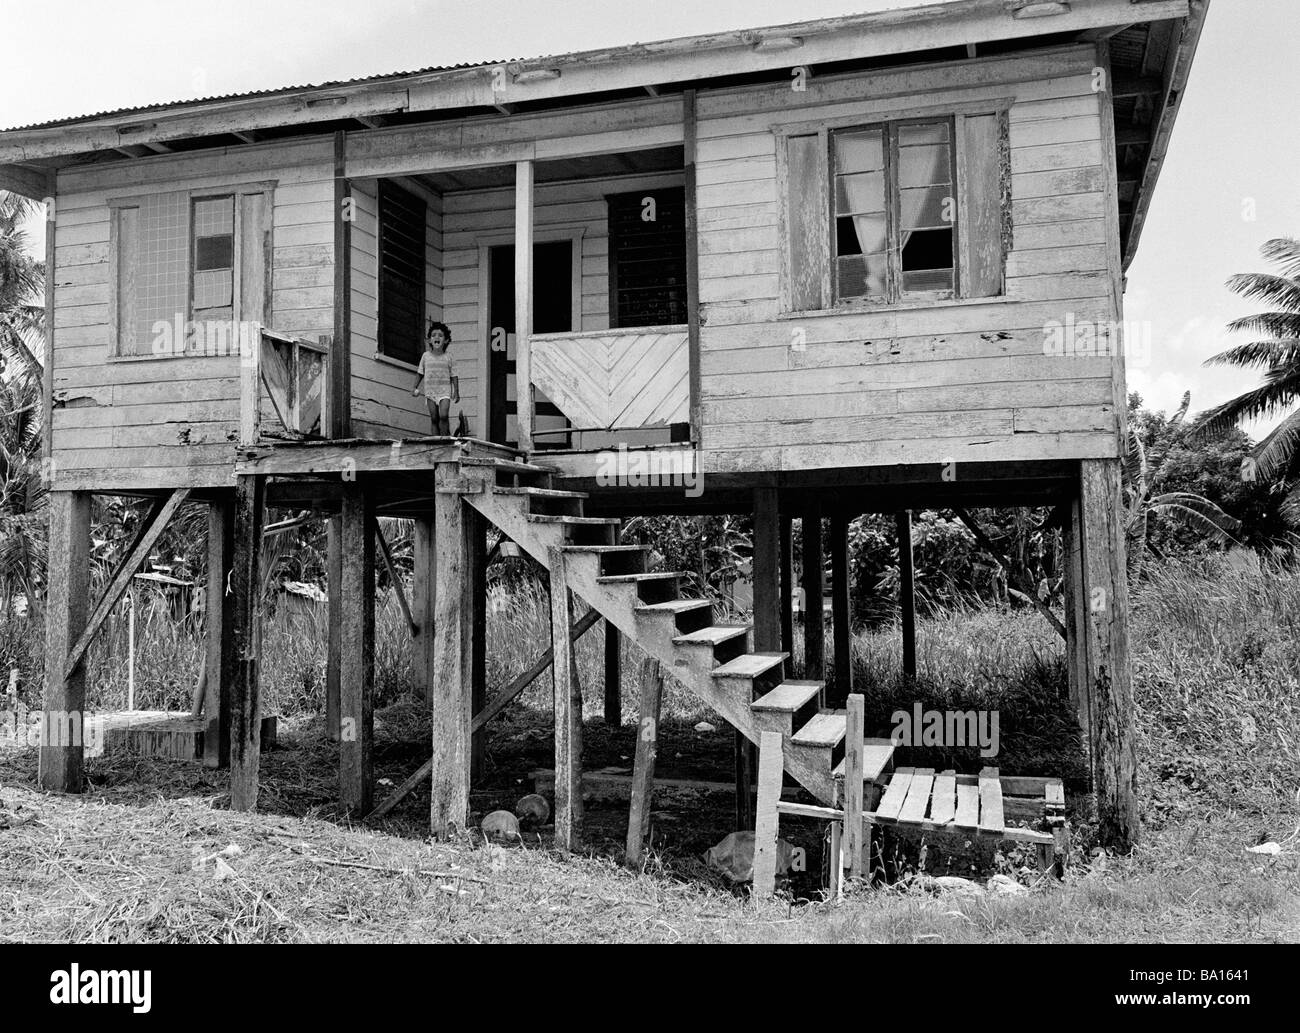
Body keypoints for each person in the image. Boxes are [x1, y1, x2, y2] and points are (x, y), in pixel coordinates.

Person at [412, 321, 458, 436]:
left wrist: (456, 391)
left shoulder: (449, 357)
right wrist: (414, 387)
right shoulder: (425, 356)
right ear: (429, 340)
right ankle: (436, 441)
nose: (437, 337)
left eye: (440, 335)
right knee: (434, 418)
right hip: (430, 391)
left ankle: (445, 439)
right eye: (433, 335)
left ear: (446, 340)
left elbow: (454, 375)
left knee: (443, 416)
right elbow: (420, 373)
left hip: (444, 391)